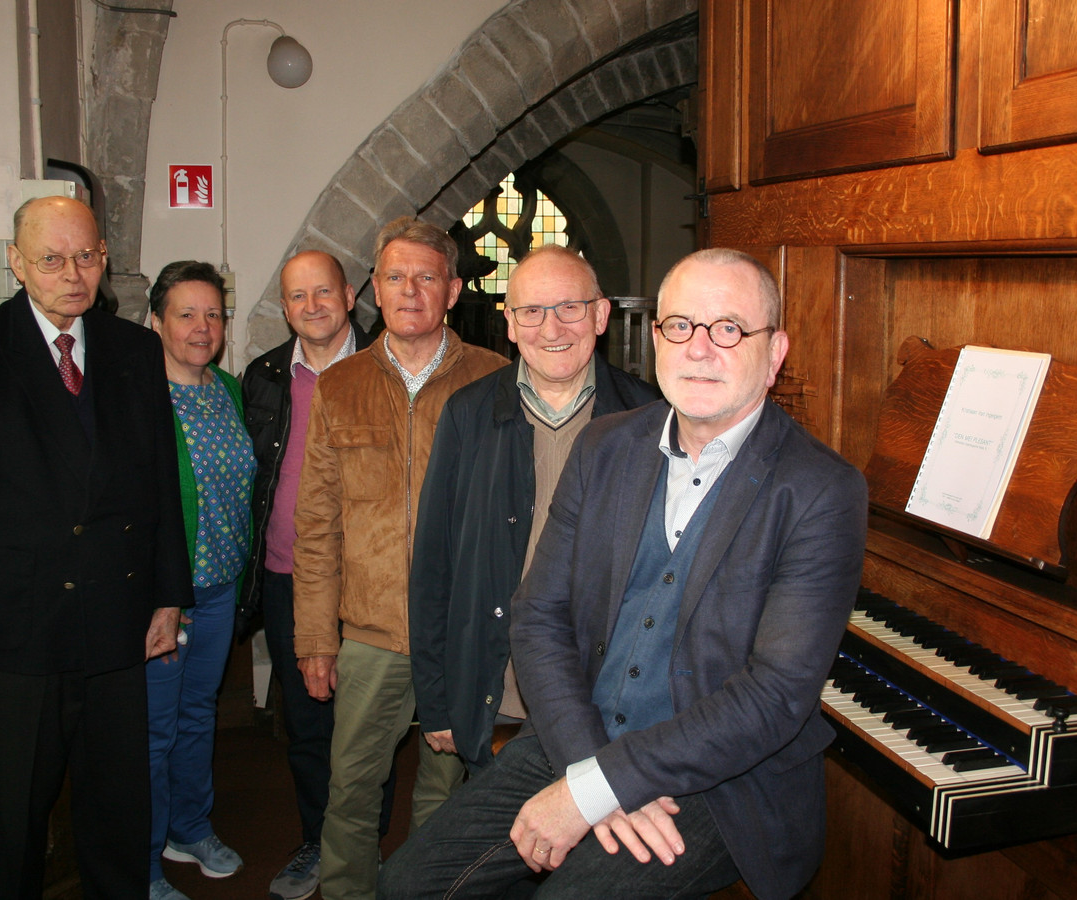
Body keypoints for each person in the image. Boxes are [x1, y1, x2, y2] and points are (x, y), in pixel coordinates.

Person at [378, 248, 869, 900]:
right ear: (656, 338)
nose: (699, 349)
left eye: (729, 329)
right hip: (580, 733)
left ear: (774, 352)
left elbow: (773, 697)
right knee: (406, 885)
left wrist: (598, 789)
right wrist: (593, 777)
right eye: (680, 326)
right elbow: (538, 616)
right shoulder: (605, 445)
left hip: (720, 781)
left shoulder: (821, 489)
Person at [0, 195, 192, 899]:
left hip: (118, 621)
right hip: (18, 630)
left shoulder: (133, 350)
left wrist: (168, 597)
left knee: (119, 814)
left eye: (87, 256)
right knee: (19, 820)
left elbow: (160, 484)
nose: (73, 274)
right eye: (52, 259)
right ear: (16, 262)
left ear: (104, 258)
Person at [293, 217, 508, 899]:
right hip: (370, 632)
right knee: (352, 790)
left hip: (461, 633)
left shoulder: (495, 379)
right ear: (374, 290)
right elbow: (317, 524)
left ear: (452, 290)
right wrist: (315, 638)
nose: (410, 290)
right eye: (395, 277)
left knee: (448, 797)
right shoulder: (340, 385)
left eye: (426, 277)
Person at [409, 244, 659, 773]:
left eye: (570, 307)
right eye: (532, 311)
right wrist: (436, 699)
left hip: (609, 701)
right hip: (499, 696)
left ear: (600, 315)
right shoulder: (468, 414)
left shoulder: (650, 418)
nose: (552, 328)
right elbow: (434, 565)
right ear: (510, 324)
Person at [239, 250, 375, 900]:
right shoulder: (263, 376)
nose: (312, 306)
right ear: (285, 307)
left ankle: (362, 847)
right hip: (287, 576)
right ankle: (318, 840)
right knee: (307, 724)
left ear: (349, 296)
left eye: (324, 292)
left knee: (368, 723)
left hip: (368, 582)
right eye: (298, 296)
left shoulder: (388, 366)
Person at [145, 261, 255, 900]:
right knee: (153, 732)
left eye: (213, 314)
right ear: (155, 321)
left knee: (197, 717)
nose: (202, 327)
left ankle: (188, 828)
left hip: (219, 589)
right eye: (185, 314)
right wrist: (158, 592)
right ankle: (142, 864)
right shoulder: (139, 397)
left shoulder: (228, 389)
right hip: (166, 596)